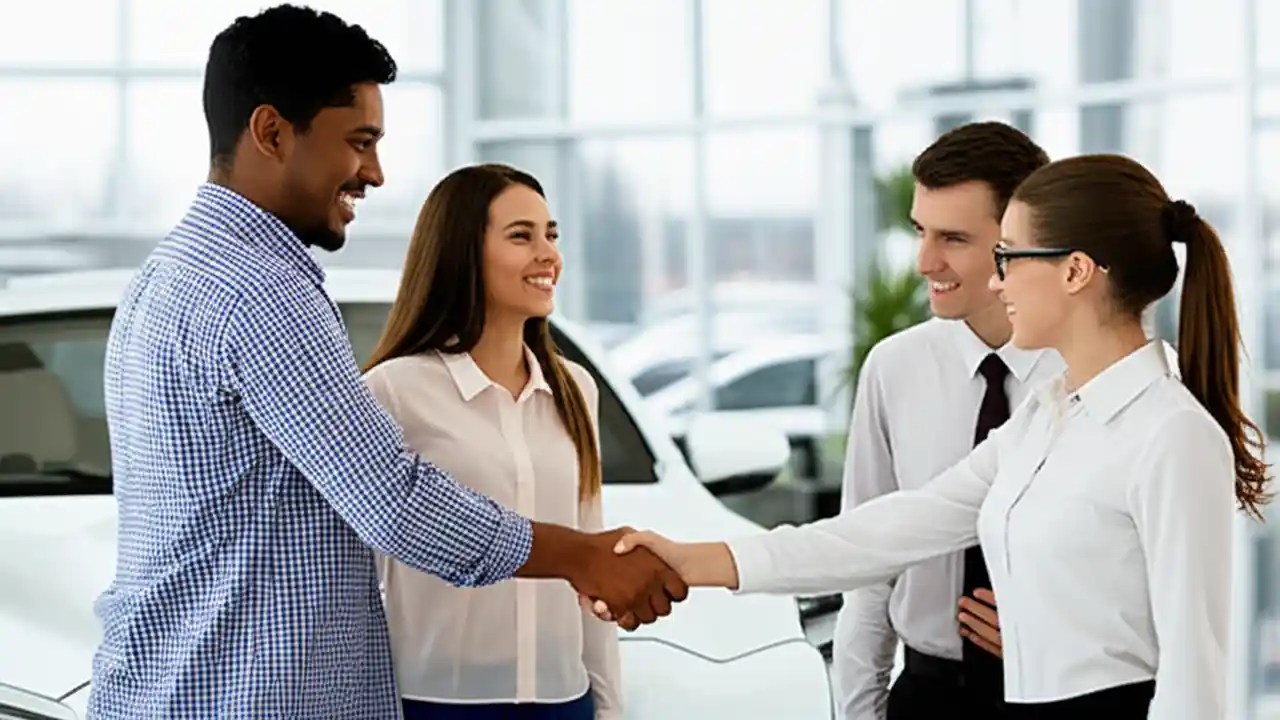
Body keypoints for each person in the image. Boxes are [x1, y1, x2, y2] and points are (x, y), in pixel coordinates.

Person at [89, 7, 683, 719]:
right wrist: (580, 557)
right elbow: (393, 501)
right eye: (359, 142)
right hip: (249, 697)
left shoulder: (165, 277)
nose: (374, 172)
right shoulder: (262, 291)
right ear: (272, 133)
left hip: (168, 689)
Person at [611, 153, 1272, 719]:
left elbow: (1194, 679)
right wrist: (694, 561)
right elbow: (891, 529)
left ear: (1075, 271)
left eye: (1009, 257)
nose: (996, 280)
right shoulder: (1046, 418)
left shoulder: (1172, 434)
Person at [360, 163, 621, 720]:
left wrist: (608, 706)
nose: (548, 255)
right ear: (463, 253)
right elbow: (360, 575)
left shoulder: (576, 389)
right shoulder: (394, 390)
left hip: (563, 702)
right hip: (437, 704)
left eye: (551, 235)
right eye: (521, 236)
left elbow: (590, 557)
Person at [831, 121, 1060, 720]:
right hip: (930, 697)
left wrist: (1066, 637)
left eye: (953, 238)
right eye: (920, 231)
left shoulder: (1089, 376)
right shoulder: (894, 367)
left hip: (1069, 692)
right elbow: (867, 564)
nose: (923, 262)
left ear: (1021, 239)